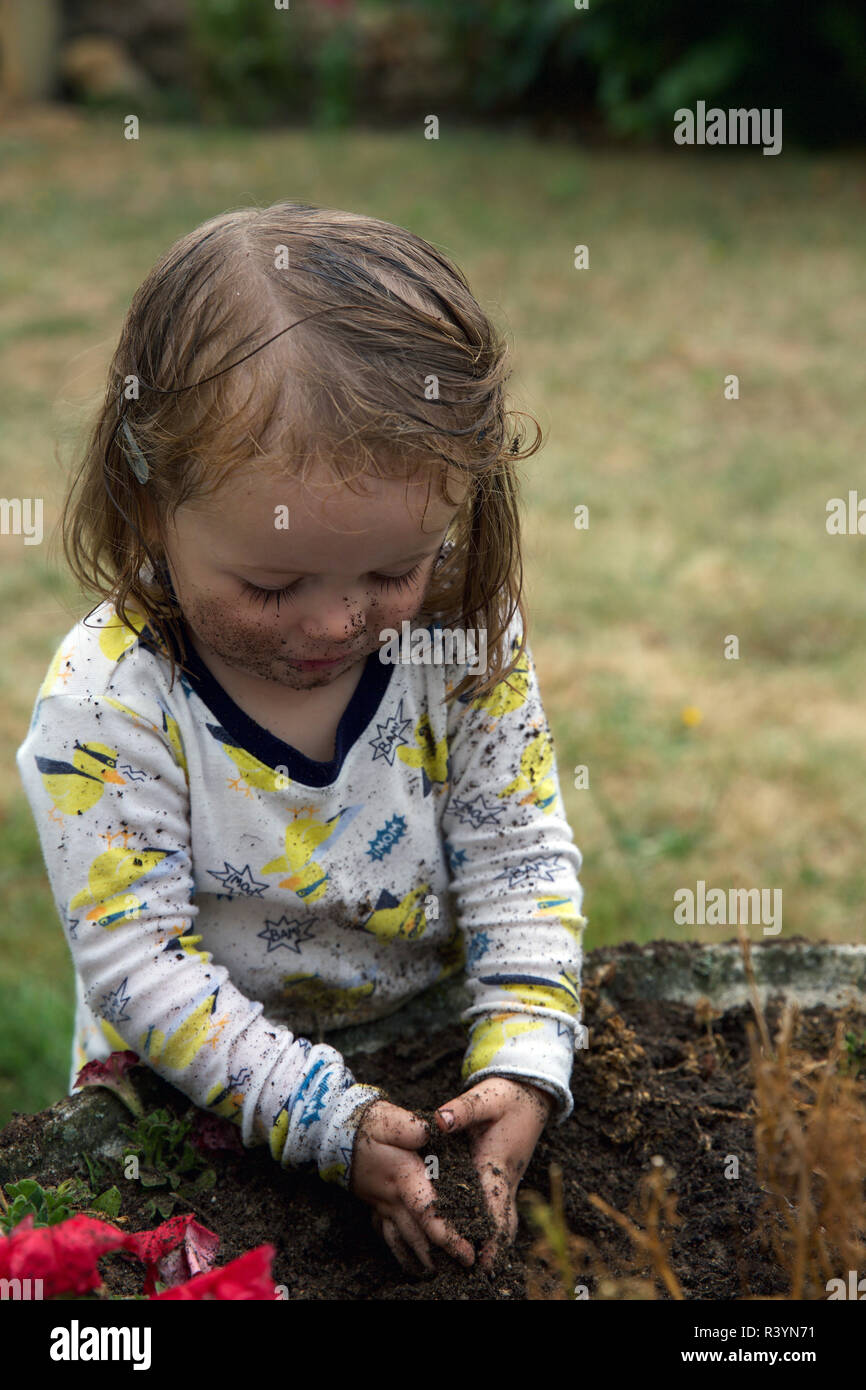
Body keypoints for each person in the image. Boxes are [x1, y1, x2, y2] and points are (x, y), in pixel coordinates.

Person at [16, 201, 587, 1278]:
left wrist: (520, 1055)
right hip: (195, 1105)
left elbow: (519, 854)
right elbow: (141, 962)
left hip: (425, 1061)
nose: (335, 623)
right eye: (271, 581)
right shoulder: (109, 704)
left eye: (388, 571)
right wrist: (322, 1114)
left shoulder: (459, 640)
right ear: (148, 506)